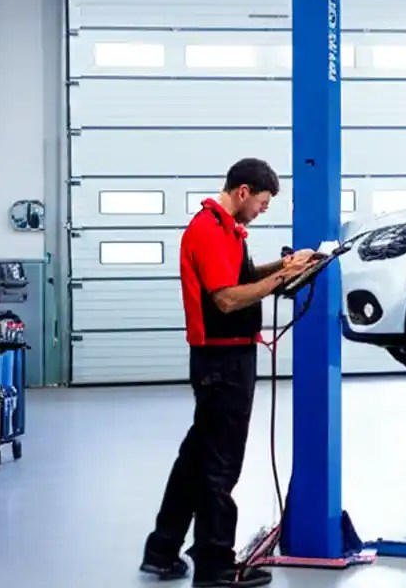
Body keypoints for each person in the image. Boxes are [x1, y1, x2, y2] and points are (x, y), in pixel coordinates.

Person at [142, 158, 316, 588]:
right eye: (261, 201)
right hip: (223, 363)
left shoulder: (227, 230)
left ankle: (162, 550)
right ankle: (216, 567)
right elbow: (226, 299)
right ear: (242, 192)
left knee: (195, 460)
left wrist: (285, 267)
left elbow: (240, 278)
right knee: (221, 466)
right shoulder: (209, 229)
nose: (262, 209)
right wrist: (280, 282)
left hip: (223, 360)